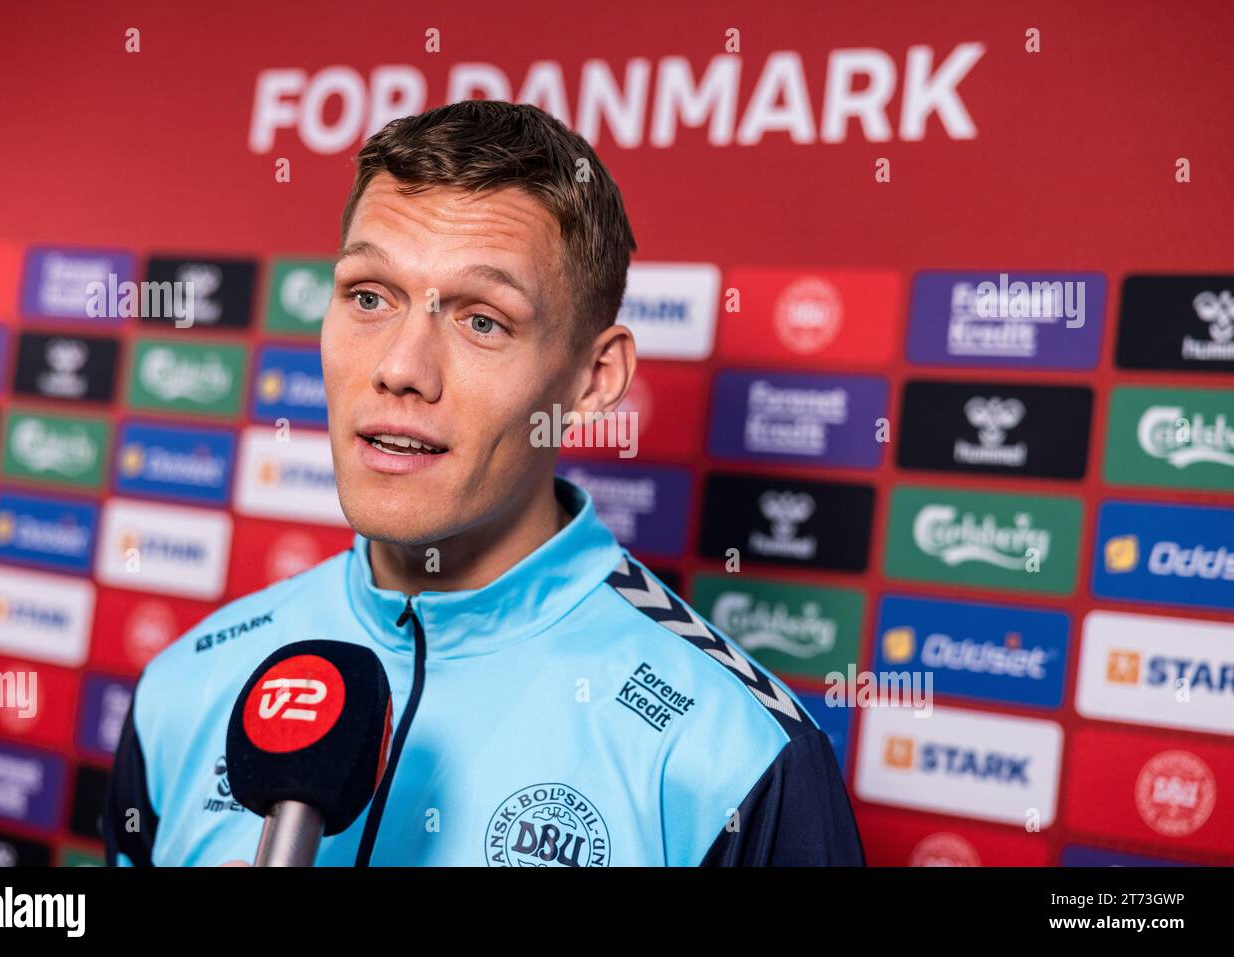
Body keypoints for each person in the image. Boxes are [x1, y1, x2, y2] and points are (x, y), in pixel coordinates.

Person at [103, 99, 864, 867]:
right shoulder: (187, 683)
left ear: (595, 379)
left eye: (482, 321)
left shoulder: (738, 756)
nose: (400, 368)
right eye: (369, 297)